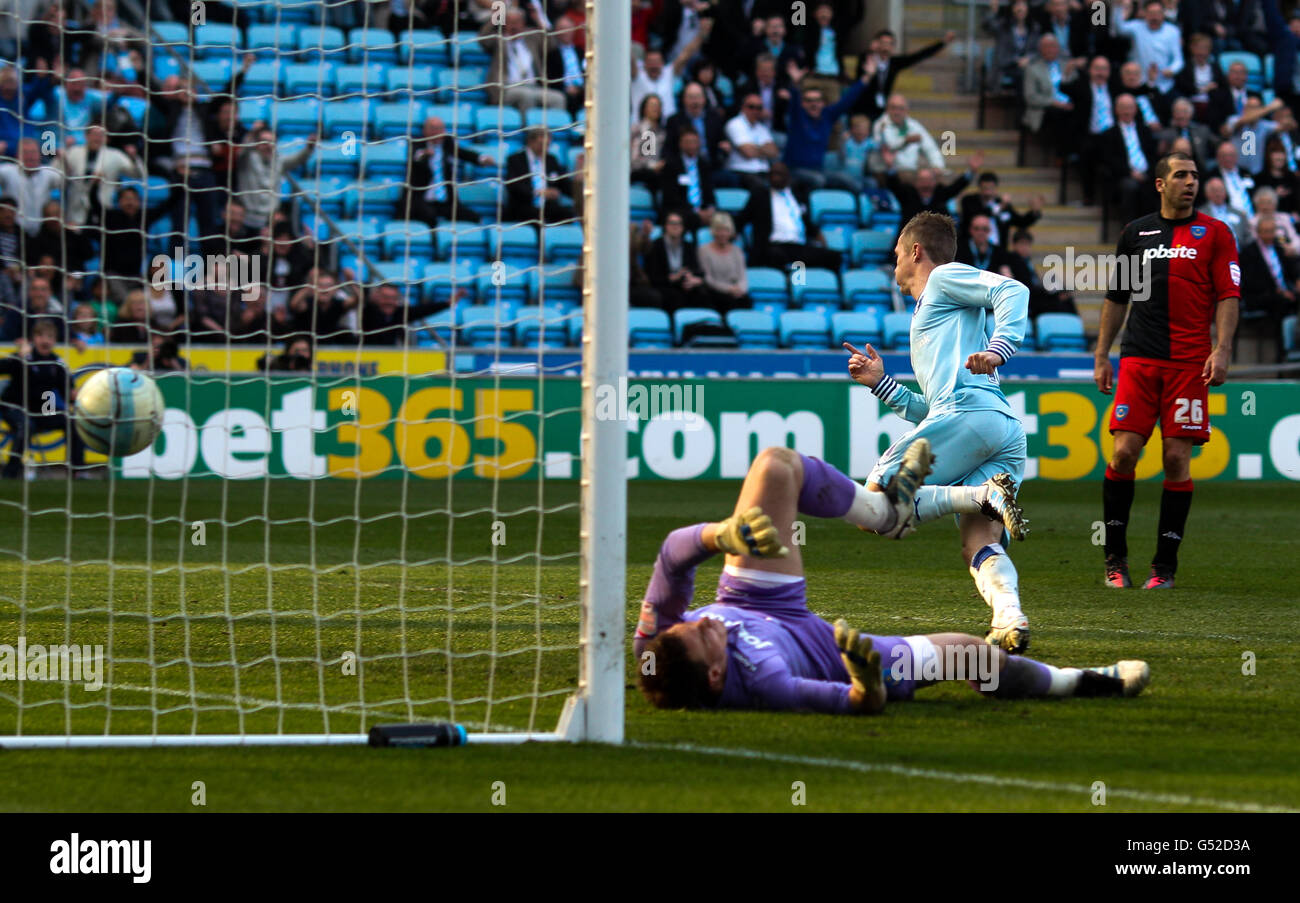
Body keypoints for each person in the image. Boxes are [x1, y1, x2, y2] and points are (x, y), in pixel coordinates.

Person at [633, 445, 1151, 713]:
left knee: (774, 465)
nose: (702, 623)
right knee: (978, 658)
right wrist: (865, 676)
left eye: (690, 625)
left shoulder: (654, 649)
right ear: (718, 677)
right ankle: (1081, 681)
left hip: (750, 592)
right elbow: (861, 704)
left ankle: (885, 512)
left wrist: (719, 536)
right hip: (838, 655)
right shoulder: (768, 684)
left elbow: (670, 558)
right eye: (704, 636)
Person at [843, 211, 1033, 652]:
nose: (893, 266)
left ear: (915, 252)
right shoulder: (939, 310)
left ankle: (982, 495)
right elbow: (932, 410)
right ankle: (1010, 617)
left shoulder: (944, 280)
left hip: (970, 414)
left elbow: (1013, 288)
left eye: (895, 255)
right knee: (978, 543)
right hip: (997, 427)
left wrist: (1000, 347)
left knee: (874, 504)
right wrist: (882, 384)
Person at [1094, 151, 1240, 590]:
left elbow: (1228, 294)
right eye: (1180, 175)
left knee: (1176, 458)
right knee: (1123, 453)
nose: (1190, 182)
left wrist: (1223, 348)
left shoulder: (1215, 233)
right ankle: (1115, 560)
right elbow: (1117, 298)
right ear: (1160, 184)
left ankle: (1164, 567)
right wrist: (1102, 355)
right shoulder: (1136, 233)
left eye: (1195, 175)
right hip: (1139, 358)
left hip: (1189, 363)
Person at [0, 319, 86, 479]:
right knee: (25, 425)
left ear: (54, 340)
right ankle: (10, 473)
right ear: (34, 338)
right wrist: (19, 356)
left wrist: (84, 395)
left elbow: (69, 393)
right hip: (16, 407)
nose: (45, 340)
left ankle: (77, 471)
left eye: (50, 337)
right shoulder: (24, 356)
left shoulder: (58, 363)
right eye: (41, 336)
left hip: (45, 410)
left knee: (72, 422)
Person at [733, 161, 842, 271]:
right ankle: (787, 282)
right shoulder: (760, 195)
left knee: (834, 257)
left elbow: (807, 222)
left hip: (798, 246)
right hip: (772, 245)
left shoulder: (797, 195)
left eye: (779, 174)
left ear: (787, 177)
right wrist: (731, 231)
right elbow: (742, 218)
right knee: (776, 255)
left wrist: (818, 235)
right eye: (772, 174)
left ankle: (815, 285)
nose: (775, 177)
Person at [399, 115, 491, 227]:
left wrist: (481, 158)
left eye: (440, 129)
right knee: (429, 217)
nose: (437, 132)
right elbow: (415, 156)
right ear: (425, 131)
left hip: (446, 201)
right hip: (423, 199)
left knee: (473, 217)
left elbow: (462, 153)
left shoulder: (447, 143)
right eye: (433, 129)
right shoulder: (416, 143)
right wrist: (424, 155)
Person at [1237, 213, 1297, 362]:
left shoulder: (1279, 248)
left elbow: (1291, 270)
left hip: (1284, 294)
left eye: (1272, 231)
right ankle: (1282, 354)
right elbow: (1250, 282)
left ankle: (1294, 344)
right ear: (1258, 232)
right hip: (1259, 296)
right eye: (1266, 231)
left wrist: (1297, 280)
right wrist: (1279, 292)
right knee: (1281, 304)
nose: (1270, 235)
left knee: (1289, 301)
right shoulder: (1248, 252)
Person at [1022, 34, 1080, 157]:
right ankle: (1063, 154)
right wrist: (1054, 102)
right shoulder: (1032, 69)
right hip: (1045, 109)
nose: (1050, 50)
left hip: (1069, 105)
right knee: (1059, 114)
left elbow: (1077, 89)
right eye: (1046, 46)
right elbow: (1030, 97)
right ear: (1040, 49)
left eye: (1053, 46)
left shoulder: (1067, 66)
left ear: (1058, 48)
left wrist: (1066, 75)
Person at [645, 209, 708, 314]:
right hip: (664, 285)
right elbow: (652, 275)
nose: (675, 226)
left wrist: (693, 279)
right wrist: (672, 278)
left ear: (683, 227)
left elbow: (696, 269)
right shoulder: (656, 245)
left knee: (702, 294)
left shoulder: (689, 246)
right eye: (672, 223)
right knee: (674, 296)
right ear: (665, 226)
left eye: (679, 224)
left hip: (684, 283)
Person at [505, 127, 573, 223]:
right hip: (525, 204)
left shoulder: (551, 159)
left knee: (567, 214)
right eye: (541, 144)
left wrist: (577, 188)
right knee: (534, 217)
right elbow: (513, 185)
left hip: (548, 205)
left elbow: (563, 182)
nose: (545, 148)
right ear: (530, 142)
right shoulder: (515, 159)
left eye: (548, 145)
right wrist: (538, 193)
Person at [658, 126, 716, 231]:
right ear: (681, 144)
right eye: (688, 142)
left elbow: (709, 191)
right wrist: (694, 211)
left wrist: (710, 209)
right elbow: (670, 197)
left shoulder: (704, 165)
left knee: (723, 220)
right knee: (691, 218)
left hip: (702, 210)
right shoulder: (671, 165)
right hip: (679, 210)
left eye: (694, 142)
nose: (692, 145)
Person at [871, 93, 946, 173]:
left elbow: (931, 148)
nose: (897, 112)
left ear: (907, 110)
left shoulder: (914, 126)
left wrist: (937, 166)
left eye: (901, 108)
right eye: (893, 108)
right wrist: (906, 141)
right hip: (887, 173)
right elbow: (889, 145)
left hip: (910, 172)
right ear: (887, 109)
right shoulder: (880, 124)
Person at [698, 212, 750, 315]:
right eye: (718, 230)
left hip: (736, 291)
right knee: (727, 302)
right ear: (713, 231)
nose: (722, 234)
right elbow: (708, 279)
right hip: (717, 292)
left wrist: (740, 289)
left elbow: (743, 277)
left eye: (725, 230)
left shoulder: (737, 251)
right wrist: (729, 289)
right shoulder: (704, 251)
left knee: (746, 301)